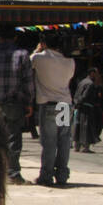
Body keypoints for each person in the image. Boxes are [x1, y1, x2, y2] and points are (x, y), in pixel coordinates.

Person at [0, 29, 33, 185]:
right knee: (14, 138)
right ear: (15, 37)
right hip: (15, 101)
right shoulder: (23, 54)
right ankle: (12, 173)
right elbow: (28, 81)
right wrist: (30, 102)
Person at [31, 33, 76, 187]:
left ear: (43, 43)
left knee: (49, 142)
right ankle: (62, 174)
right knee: (64, 140)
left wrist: (37, 50)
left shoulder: (39, 58)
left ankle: (46, 175)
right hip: (65, 104)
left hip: (49, 104)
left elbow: (29, 62)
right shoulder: (69, 62)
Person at [74, 68, 103, 152]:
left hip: (79, 107)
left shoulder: (82, 82)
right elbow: (85, 96)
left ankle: (77, 146)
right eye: (96, 73)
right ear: (92, 73)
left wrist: (77, 103)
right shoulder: (90, 84)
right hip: (86, 108)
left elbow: (76, 94)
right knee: (86, 127)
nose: (97, 76)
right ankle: (85, 147)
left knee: (79, 126)